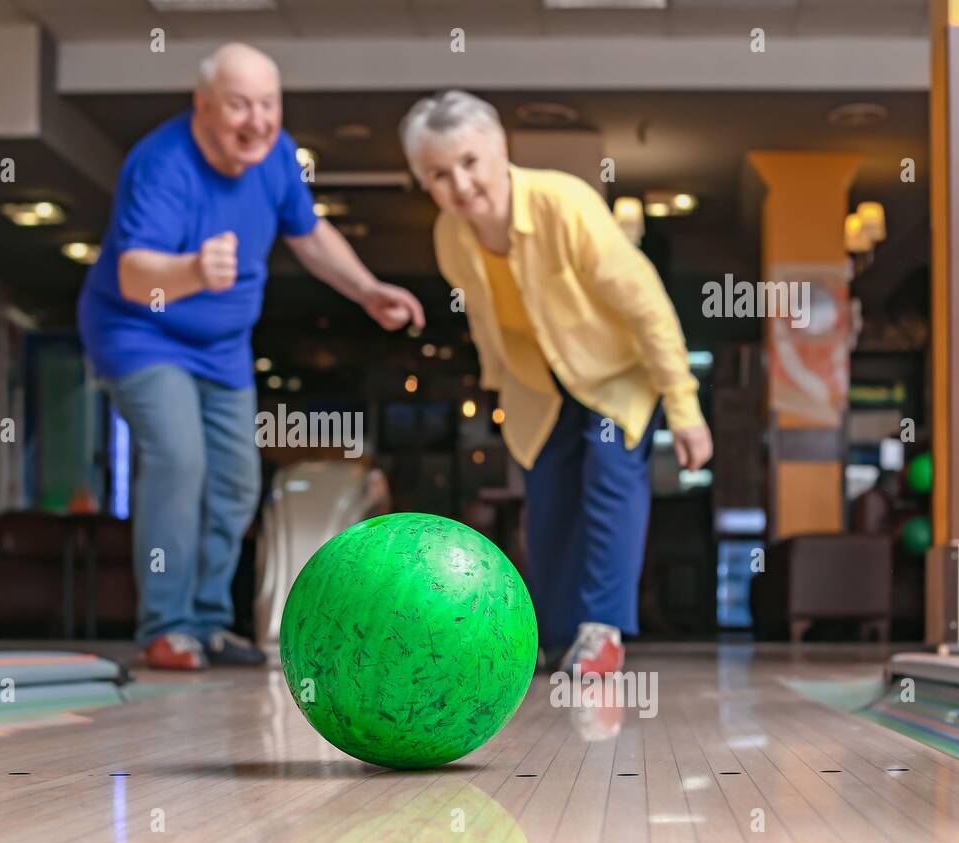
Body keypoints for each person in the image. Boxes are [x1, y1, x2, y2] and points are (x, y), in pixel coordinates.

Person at [79, 43, 424, 671]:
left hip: (223, 346)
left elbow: (309, 233)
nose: (258, 120)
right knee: (180, 459)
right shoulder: (160, 163)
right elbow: (132, 276)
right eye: (240, 105)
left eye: (269, 103)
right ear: (203, 105)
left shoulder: (277, 155)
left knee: (237, 479)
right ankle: (167, 627)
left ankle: (209, 622)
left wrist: (366, 288)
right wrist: (190, 269)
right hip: (141, 331)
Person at [399, 90, 712, 677]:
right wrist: (494, 389)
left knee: (609, 477)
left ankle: (601, 634)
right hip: (535, 386)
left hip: (614, 376)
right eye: (440, 174)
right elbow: (484, 320)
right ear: (425, 181)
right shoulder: (451, 237)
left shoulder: (565, 205)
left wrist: (685, 407)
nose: (461, 184)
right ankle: (553, 635)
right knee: (547, 504)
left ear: (500, 150)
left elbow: (646, 304)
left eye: (469, 162)